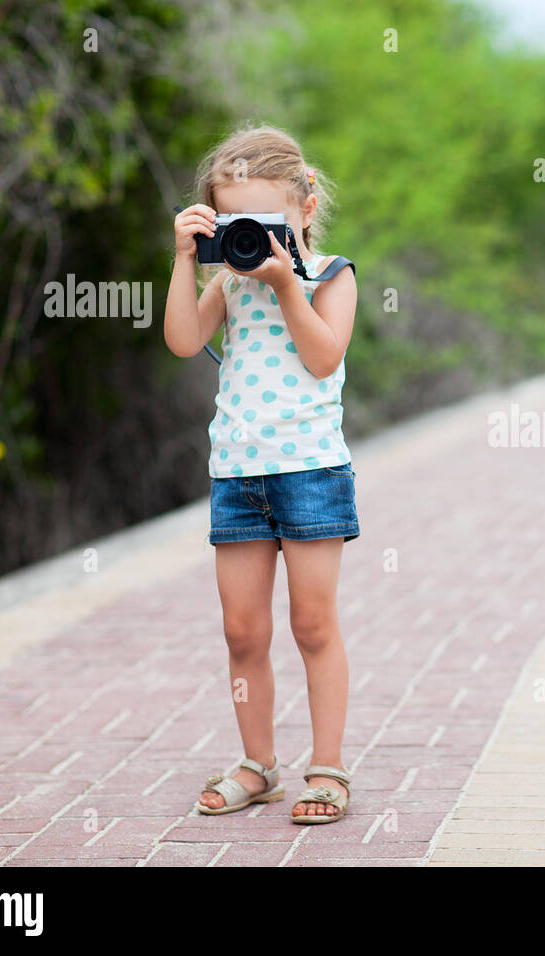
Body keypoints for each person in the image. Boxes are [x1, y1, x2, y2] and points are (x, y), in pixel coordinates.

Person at [163, 124, 359, 824]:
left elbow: (323, 357)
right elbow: (184, 340)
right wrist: (188, 261)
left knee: (313, 625)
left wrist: (286, 285)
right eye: (232, 222)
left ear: (304, 209)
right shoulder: (228, 279)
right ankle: (258, 765)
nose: (249, 238)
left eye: (261, 222)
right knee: (243, 632)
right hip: (238, 475)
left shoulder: (333, 275)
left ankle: (327, 769)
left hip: (309, 473)